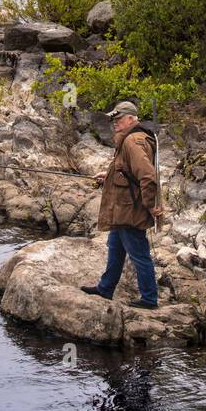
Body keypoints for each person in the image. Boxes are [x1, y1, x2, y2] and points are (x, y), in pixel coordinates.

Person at [80, 101, 163, 309]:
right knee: (115, 248)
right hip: (123, 210)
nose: (115, 123)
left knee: (139, 254)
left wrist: (151, 205)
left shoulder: (132, 142)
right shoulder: (132, 138)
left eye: (118, 120)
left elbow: (146, 175)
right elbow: (126, 170)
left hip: (129, 210)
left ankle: (149, 299)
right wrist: (106, 175)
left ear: (131, 119)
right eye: (113, 120)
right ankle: (105, 288)